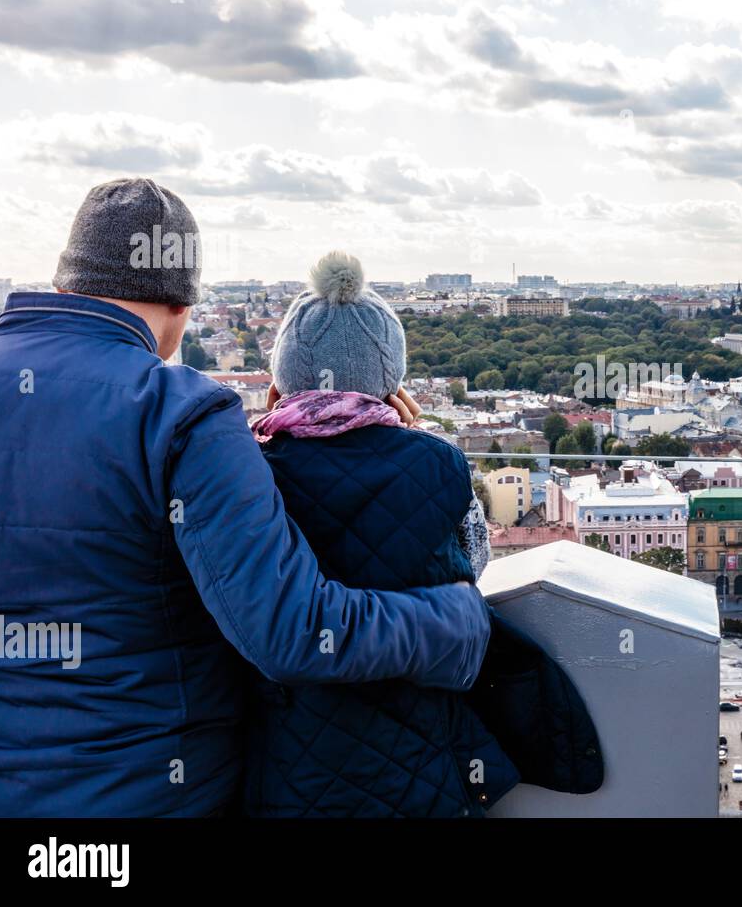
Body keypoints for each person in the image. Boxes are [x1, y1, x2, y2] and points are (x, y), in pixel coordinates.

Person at [0, 179, 492, 817]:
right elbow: (293, 632)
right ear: (182, 308)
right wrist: (458, 623)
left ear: (63, 287)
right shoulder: (179, 413)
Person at [241, 252, 601, 816]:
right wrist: (419, 442)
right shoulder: (437, 462)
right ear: (392, 379)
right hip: (418, 739)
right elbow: (473, 560)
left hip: (292, 742)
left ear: (279, 382)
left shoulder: (250, 468)